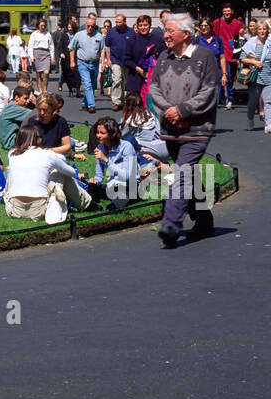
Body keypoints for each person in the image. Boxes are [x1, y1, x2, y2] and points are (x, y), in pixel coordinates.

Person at [148, 13, 219, 249]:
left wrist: (183, 111)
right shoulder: (164, 58)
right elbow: (154, 88)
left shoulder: (204, 57)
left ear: (185, 35)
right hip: (171, 130)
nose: (165, 35)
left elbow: (208, 92)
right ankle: (204, 218)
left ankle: (171, 224)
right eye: (165, 31)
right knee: (187, 174)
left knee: (181, 174)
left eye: (169, 31)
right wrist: (170, 111)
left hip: (197, 130)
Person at [3, 123, 91, 219]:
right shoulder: (48, 155)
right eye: (40, 137)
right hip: (39, 211)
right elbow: (72, 173)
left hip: (13, 210)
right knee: (59, 174)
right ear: (37, 139)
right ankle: (86, 204)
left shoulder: (11, 154)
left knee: (11, 172)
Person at [84, 116, 157, 211]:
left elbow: (127, 176)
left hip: (131, 185)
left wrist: (106, 160)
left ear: (111, 134)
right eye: (97, 132)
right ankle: (93, 205)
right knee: (92, 188)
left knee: (117, 203)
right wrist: (95, 181)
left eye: (102, 133)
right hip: (114, 185)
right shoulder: (100, 148)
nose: (98, 136)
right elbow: (99, 175)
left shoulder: (126, 147)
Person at [240, 22, 271, 133]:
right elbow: (242, 58)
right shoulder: (251, 43)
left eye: (264, 29)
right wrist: (254, 62)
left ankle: (268, 124)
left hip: (269, 75)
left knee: (268, 101)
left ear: (267, 31)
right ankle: (250, 119)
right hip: (255, 77)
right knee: (253, 101)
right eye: (260, 29)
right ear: (256, 31)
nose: (262, 31)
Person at [70, 13, 105, 113]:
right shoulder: (79, 35)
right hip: (82, 63)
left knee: (93, 85)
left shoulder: (99, 36)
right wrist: (72, 61)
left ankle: (85, 103)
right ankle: (91, 105)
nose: (90, 28)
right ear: (85, 25)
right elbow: (71, 48)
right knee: (87, 84)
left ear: (95, 26)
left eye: (92, 26)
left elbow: (102, 50)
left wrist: (102, 63)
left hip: (94, 63)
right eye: (88, 26)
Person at [119, 93, 169, 161]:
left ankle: (145, 164)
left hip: (151, 152)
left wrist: (123, 119)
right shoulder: (151, 114)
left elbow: (118, 135)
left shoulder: (130, 120)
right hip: (165, 149)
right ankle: (161, 163)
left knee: (127, 140)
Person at [123, 15, 159, 105]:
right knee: (134, 109)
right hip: (135, 78)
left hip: (152, 79)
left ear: (150, 26)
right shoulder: (132, 40)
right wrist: (138, 69)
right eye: (141, 25)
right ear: (137, 26)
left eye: (145, 25)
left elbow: (164, 56)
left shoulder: (157, 39)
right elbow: (126, 59)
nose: (143, 27)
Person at [212, 5, 244, 108]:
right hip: (222, 54)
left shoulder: (237, 23)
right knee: (227, 76)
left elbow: (239, 39)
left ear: (232, 11)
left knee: (231, 77)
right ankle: (228, 99)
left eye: (229, 11)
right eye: (225, 11)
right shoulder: (217, 22)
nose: (227, 13)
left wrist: (238, 57)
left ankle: (223, 97)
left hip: (233, 54)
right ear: (222, 11)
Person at [103, 13, 134, 110]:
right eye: (116, 22)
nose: (117, 24)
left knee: (125, 81)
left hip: (127, 61)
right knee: (117, 80)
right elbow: (107, 46)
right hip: (115, 60)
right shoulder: (111, 32)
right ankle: (116, 101)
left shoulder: (131, 32)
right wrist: (108, 59)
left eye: (119, 22)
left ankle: (124, 101)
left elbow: (134, 46)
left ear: (124, 22)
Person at [195, 19, 228, 107]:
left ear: (210, 27)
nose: (203, 27)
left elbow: (222, 58)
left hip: (215, 74)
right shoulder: (197, 40)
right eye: (201, 26)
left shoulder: (218, 39)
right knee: (202, 101)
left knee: (214, 100)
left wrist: (224, 74)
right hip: (200, 75)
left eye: (206, 25)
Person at [0, 85, 36, 151]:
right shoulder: (14, 108)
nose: (28, 101)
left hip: (10, 141)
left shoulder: (11, 106)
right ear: (17, 98)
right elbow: (37, 115)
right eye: (25, 99)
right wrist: (36, 102)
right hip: (11, 143)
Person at [27, 19, 54, 98]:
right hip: (37, 53)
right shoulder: (34, 34)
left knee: (46, 72)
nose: (43, 27)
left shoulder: (48, 34)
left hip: (46, 53)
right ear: (38, 25)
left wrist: (52, 57)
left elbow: (51, 46)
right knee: (38, 73)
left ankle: (45, 88)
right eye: (41, 25)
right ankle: (40, 90)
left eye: (44, 25)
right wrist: (31, 56)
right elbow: (30, 46)